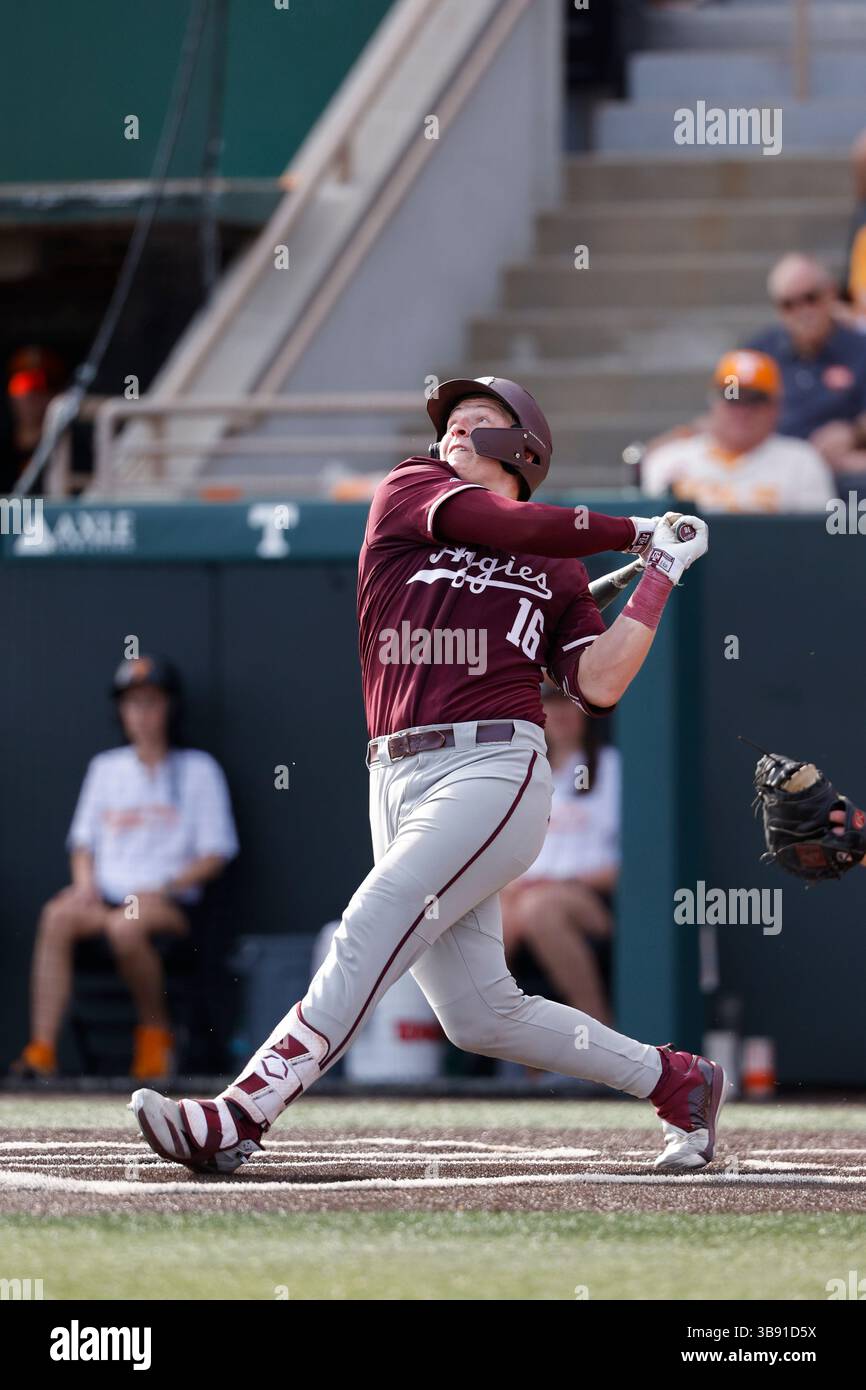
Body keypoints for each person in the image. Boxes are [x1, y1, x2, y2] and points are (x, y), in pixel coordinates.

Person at [131, 375, 727, 1175]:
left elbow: (599, 682)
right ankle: (678, 1080)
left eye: (478, 423)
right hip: (395, 773)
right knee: (480, 1014)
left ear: (523, 450)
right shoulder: (413, 489)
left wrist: (658, 575)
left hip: (495, 764)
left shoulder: (556, 570)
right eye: (450, 422)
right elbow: (489, 520)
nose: (452, 432)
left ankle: (239, 1113)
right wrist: (633, 529)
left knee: (370, 921)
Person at [11, 655, 239, 1081]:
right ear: (121, 711)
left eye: (152, 702)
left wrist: (168, 886)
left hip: (163, 903)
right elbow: (82, 844)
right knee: (58, 915)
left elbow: (216, 853)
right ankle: (41, 1050)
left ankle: (155, 1034)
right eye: (133, 704)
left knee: (125, 925)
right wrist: (84, 886)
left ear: (170, 707)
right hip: (107, 899)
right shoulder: (105, 768)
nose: (143, 714)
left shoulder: (199, 770)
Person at [500, 685, 619, 1026]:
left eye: (570, 702)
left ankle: (601, 1034)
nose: (563, 712)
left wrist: (561, 881)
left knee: (540, 909)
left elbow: (631, 864)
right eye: (552, 703)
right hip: (520, 896)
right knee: (496, 920)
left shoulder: (613, 770)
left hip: (589, 897)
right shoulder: (527, 774)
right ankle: (517, 1056)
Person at [641, 350, 835, 513]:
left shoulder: (803, 463)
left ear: (776, 407)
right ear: (714, 402)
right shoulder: (667, 460)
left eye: (755, 399)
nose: (742, 409)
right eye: (731, 396)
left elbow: (814, 545)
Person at [746, 254, 866, 474]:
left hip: (838, 471)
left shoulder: (860, 349)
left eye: (811, 298)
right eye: (789, 304)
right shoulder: (758, 351)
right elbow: (730, 390)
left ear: (830, 293)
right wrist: (733, 402)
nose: (802, 311)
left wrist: (853, 432)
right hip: (768, 466)